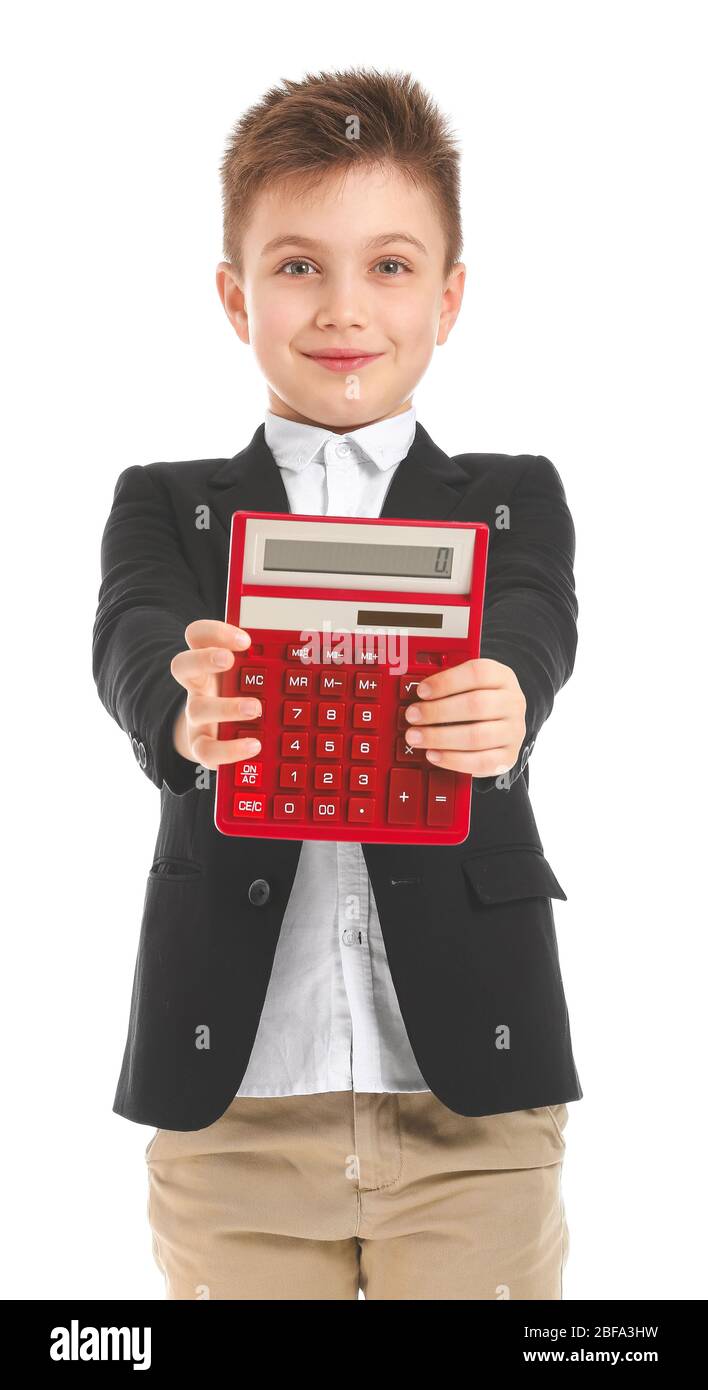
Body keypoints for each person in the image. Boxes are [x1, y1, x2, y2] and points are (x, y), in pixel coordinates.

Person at [92, 66, 582, 1300]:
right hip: (237, 1110)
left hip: (472, 1104)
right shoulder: (164, 499)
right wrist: (178, 706)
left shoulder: (513, 493)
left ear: (452, 297)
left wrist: (509, 694)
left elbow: (534, 620)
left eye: (393, 265)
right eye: (299, 265)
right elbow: (133, 633)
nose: (344, 307)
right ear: (234, 294)